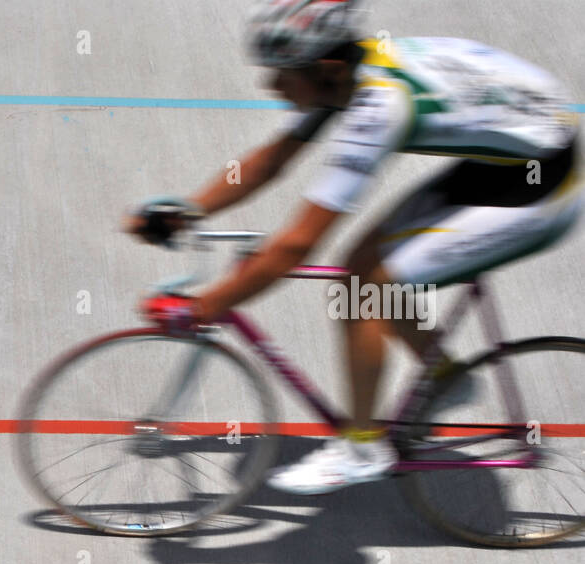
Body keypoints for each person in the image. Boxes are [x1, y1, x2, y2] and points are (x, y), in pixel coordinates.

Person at [127, 0, 581, 494]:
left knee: (363, 291)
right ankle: (444, 375)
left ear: (328, 68)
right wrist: (188, 211)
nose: (270, 87)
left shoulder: (377, 109)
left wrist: (205, 306)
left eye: (281, 76)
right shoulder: (342, 74)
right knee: (360, 268)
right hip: (513, 156)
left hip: (543, 191)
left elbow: (296, 245)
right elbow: (268, 162)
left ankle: (361, 448)